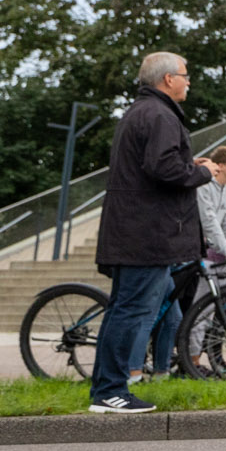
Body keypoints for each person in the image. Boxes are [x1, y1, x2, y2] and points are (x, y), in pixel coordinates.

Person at [89, 53, 217, 413]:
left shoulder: (142, 111)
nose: (188, 81)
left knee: (122, 310)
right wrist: (202, 173)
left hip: (133, 230)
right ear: (167, 80)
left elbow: (156, 165)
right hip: (145, 234)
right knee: (131, 312)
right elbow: (164, 169)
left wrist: (188, 165)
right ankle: (111, 391)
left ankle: (105, 388)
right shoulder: (160, 115)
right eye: (185, 75)